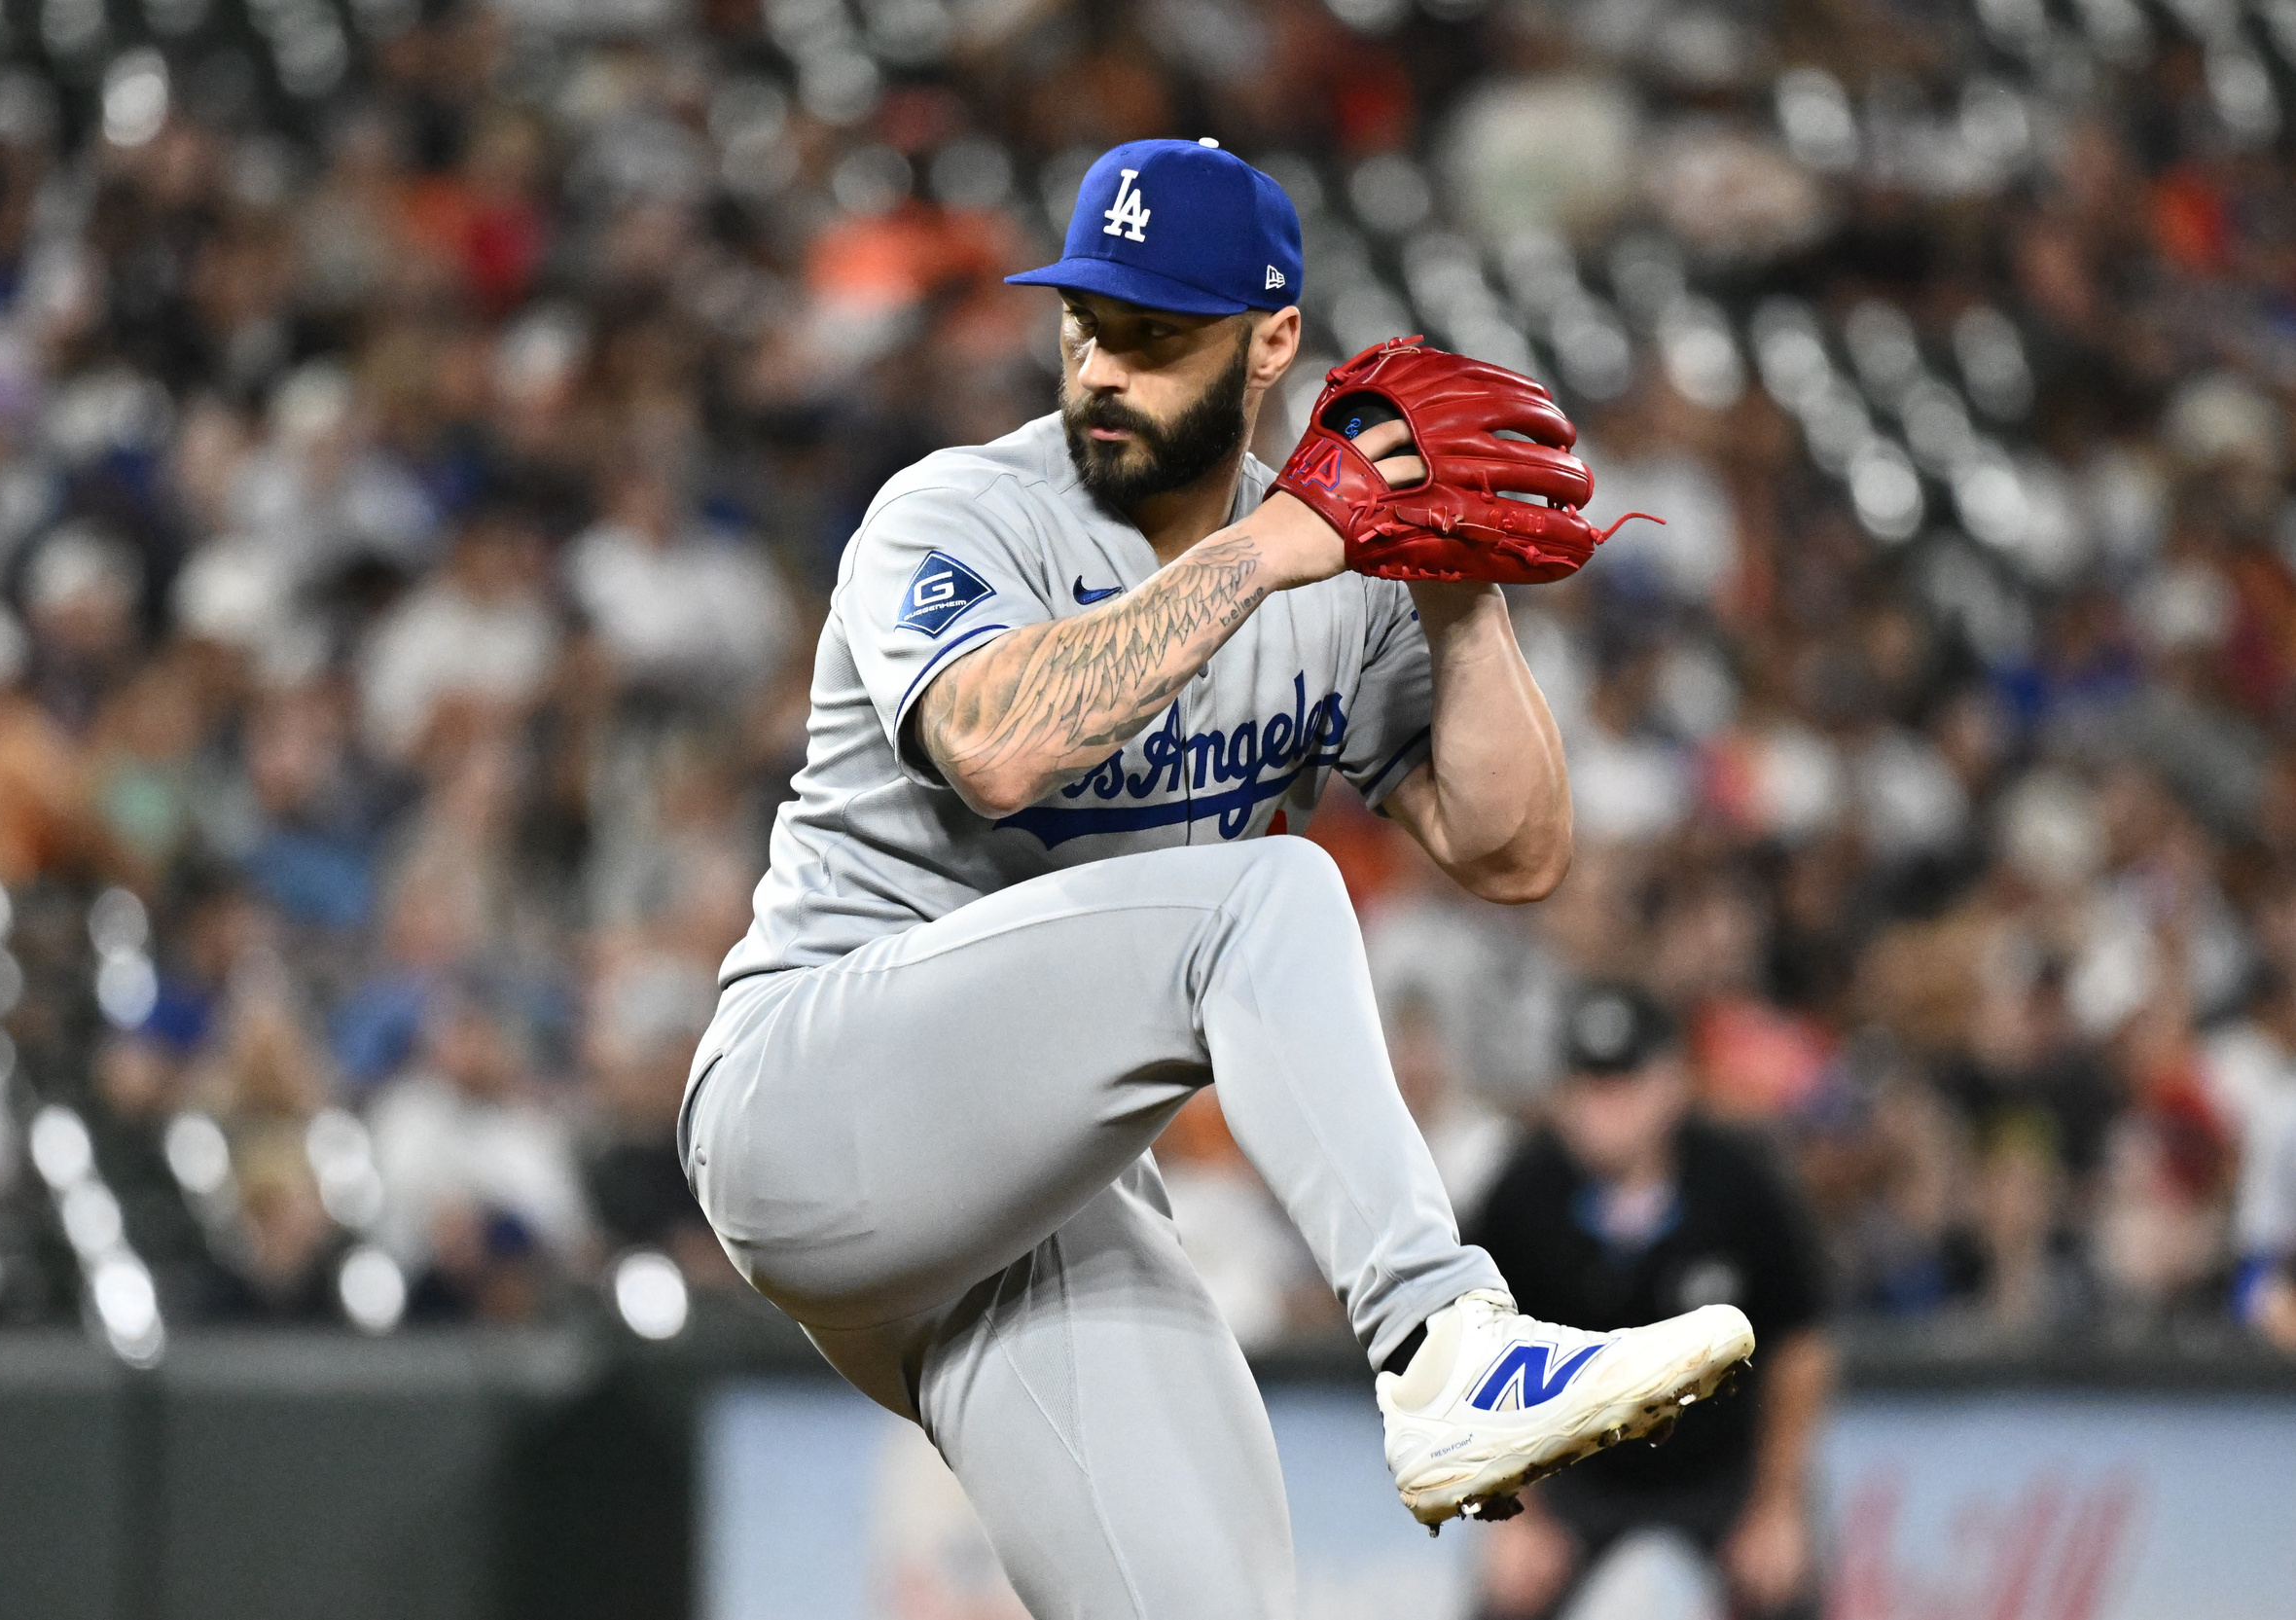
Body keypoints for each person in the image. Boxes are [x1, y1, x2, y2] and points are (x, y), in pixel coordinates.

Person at [678, 139, 1751, 1620]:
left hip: (1033, 1204)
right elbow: (996, 744)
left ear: (1272, 343)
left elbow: (1515, 849)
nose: (1105, 367)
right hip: (809, 1101)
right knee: (1275, 894)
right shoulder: (959, 513)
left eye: (1154, 335)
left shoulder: (1326, 573)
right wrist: (1267, 553)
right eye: (1086, 323)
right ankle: (1443, 1338)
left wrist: (1455, 593)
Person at [1464, 984, 1835, 1620]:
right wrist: (1513, 1511)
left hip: (1723, 1465)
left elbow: (1800, 1348)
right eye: (1587, 1085)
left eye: (1624, 1083)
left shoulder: (1740, 1185)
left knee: (1784, 1585)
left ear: (1673, 1084)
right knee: (1507, 1592)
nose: (1603, 1109)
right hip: (1577, 1468)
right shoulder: (1523, 1194)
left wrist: (1778, 1504)